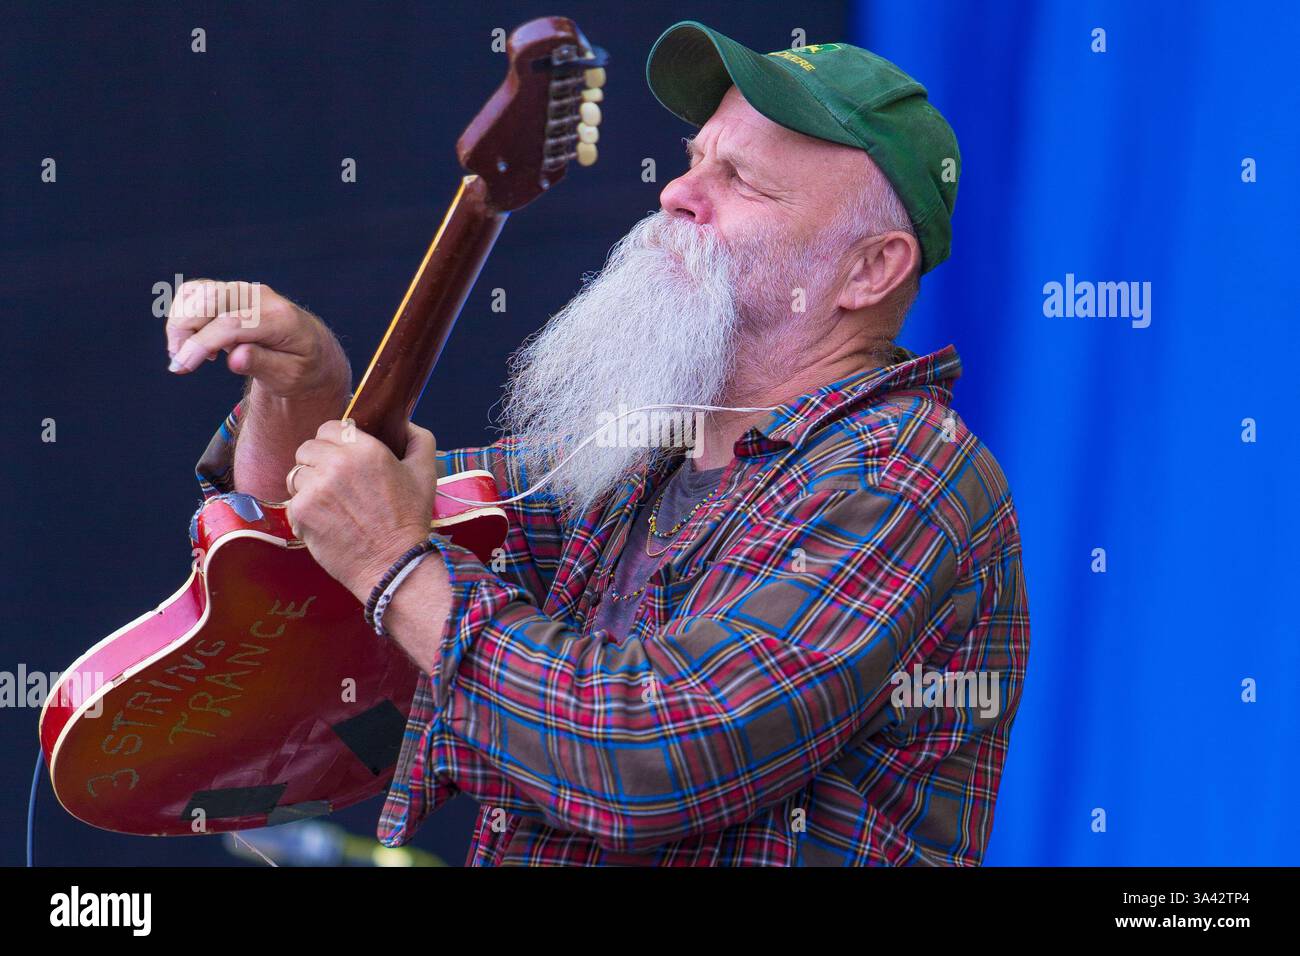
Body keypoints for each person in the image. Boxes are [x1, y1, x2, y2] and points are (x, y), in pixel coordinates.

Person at [166, 21, 1029, 866]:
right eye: (695, 160)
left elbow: (650, 761)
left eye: (742, 180)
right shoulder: (644, 450)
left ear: (870, 269)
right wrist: (302, 392)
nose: (677, 194)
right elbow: (312, 536)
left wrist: (399, 567)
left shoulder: (903, 478)